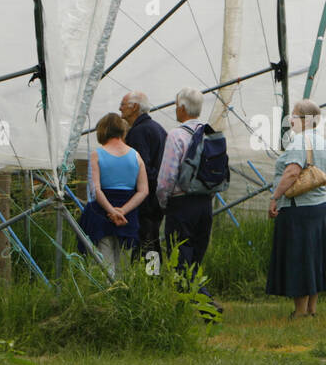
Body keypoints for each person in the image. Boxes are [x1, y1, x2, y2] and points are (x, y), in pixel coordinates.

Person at [155, 87, 222, 313]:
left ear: (182, 108)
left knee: (179, 259)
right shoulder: (210, 133)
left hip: (181, 204)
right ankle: (184, 307)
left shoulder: (176, 135)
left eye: (176, 105)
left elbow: (166, 177)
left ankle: (207, 307)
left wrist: (164, 203)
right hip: (204, 204)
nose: (175, 108)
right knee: (194, 260)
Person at [266, 100, 326, 317]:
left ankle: (299, 311)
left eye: (294, 116)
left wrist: (275, 197)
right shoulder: (322, 143)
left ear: (304, 120)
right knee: (314, 256)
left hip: (299, 208)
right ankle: (312, 308)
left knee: (300, 257)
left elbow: (292, 173)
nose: (291, 120)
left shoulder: (298, 142)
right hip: (319, 205)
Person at [78, 112, 148, 274]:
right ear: (123, 131)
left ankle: (106, 295)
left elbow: (95, 189)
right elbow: (143, 191)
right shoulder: (136, 155)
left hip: (102, 214)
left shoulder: (97, 154)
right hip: (127, 215)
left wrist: (111, 211)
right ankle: (123, 295)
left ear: (102, 131)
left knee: (105, 263)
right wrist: (122, 211)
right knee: (124, 263)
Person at [120, 91, 167, 260]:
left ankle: (150, 278)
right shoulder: (158, 128)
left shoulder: (139, 132)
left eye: (123, 104)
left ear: (135, 108)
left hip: (146, 199)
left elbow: (141, 168)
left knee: (147, 241)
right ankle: (149, 278)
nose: (120, 108)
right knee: (150, 239)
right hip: (158, 195)